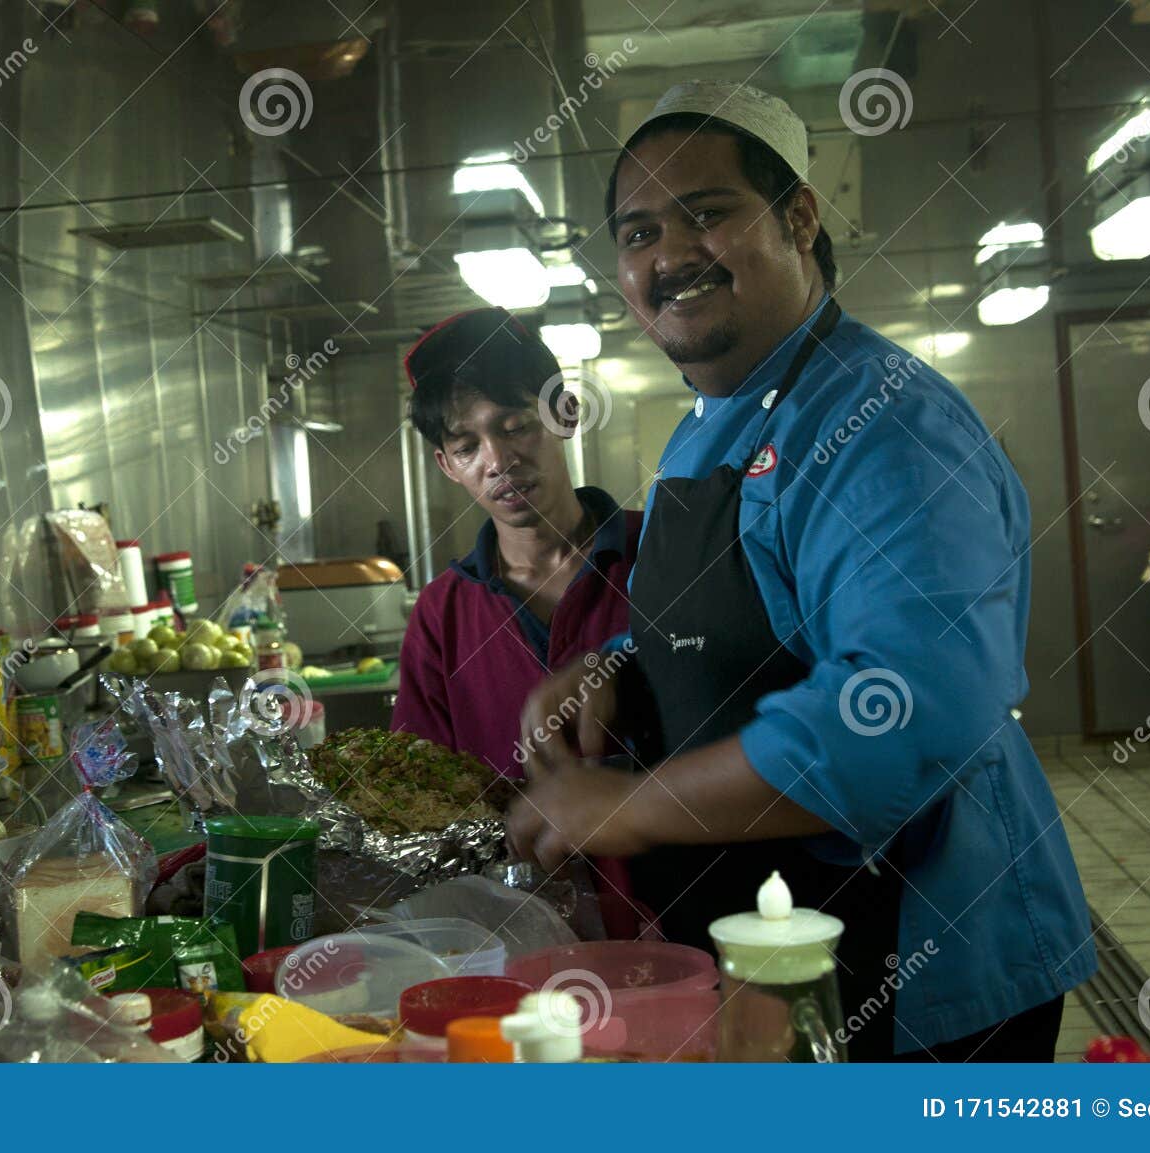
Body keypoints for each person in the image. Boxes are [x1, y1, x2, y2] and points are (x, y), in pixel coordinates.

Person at [509, 81, 1094, 1061]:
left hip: (917, 958)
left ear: (799, 218)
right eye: (640, 232)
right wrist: (618, 667)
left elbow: (900, 708)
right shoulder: (708, 429)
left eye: (706, 212)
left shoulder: (886, 425)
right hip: (770, 950)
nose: (669, 254)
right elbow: (750, 631)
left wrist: (630, 806)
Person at [392, 307, 642, 783]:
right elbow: (419, 781)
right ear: (447, 466)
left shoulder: (666, 551)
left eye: (514, 428)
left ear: (566, 413)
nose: (497, 461)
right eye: (467, 448)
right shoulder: (441, 614)